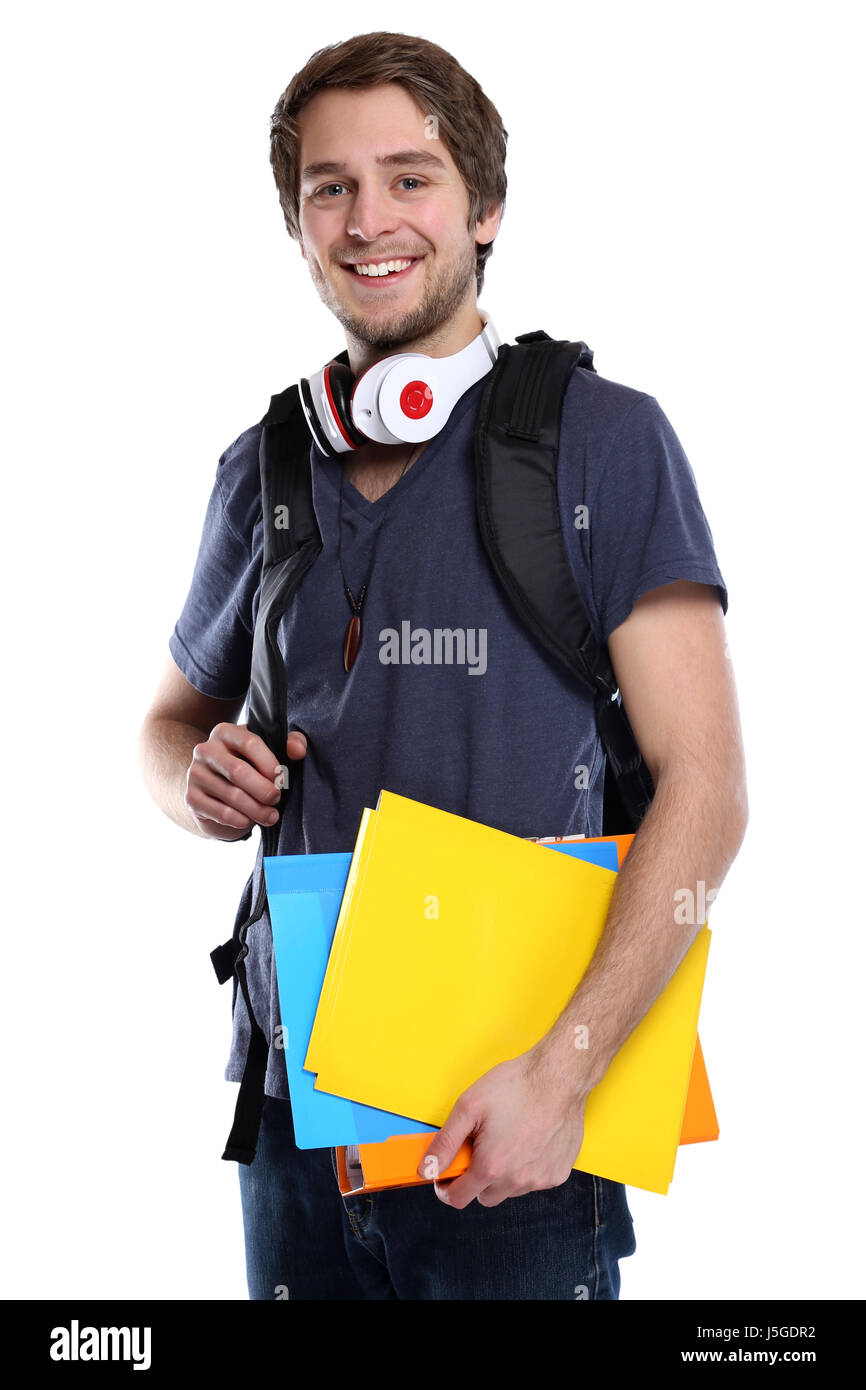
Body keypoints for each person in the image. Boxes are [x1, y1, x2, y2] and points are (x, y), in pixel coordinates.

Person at [138, 30, 748, 1301]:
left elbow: (707, 792)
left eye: (408, 178)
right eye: (331, 187)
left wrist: (562, 1076)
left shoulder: (602, 443)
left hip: (511, 1123)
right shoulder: (263, 467)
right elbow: (164, 726)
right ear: (298, 224)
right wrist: (193, 776)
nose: (368, 220)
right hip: (295, 1125)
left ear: (484, 209)